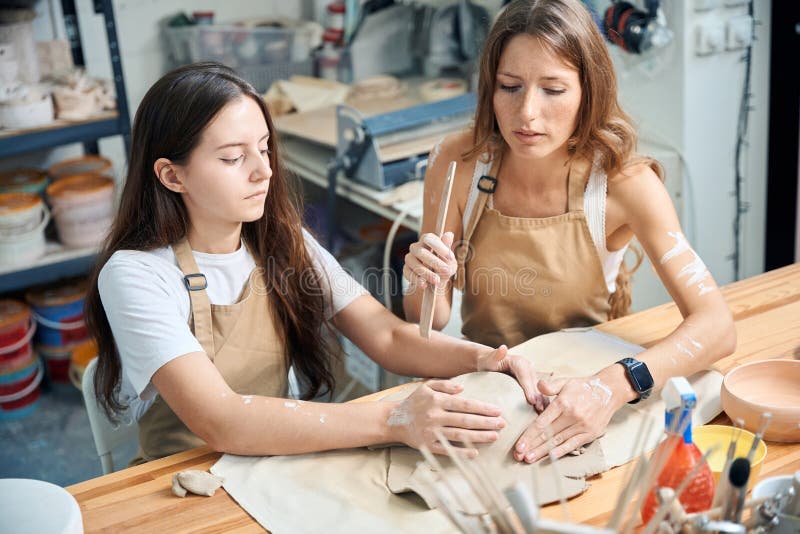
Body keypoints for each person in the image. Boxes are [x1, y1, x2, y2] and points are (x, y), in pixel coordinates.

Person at [84, 62, 541, 464]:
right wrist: (391, 419)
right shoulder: (136, 275)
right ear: (171, 174)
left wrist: (485, 359)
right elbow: (222, 420)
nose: (262, 171)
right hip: (183, 482)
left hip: (271, 464)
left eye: (264, 149)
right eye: (232, 157)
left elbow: (385, 335)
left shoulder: (282, 242)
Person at [402, 0, 735, 463]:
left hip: (584, 386)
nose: (527, 114)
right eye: (509, 87)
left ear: (587, 91)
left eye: (553, 90)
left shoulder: (625, 184)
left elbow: (716, 327)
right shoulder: (458, 162)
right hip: (489, 382)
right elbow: (429, 318)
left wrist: (613, 385)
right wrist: (419, 275)